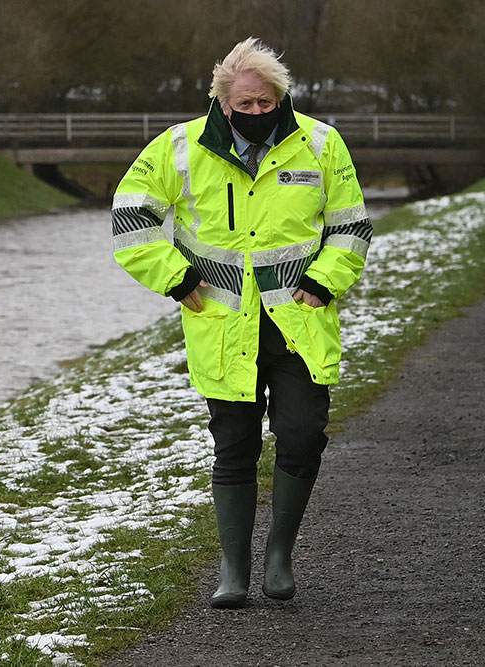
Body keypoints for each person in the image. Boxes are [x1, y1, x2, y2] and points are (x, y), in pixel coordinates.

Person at [111, 37, 371, 609]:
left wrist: (326, 279)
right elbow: (130, 218)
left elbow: (351, 226)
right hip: (223, 327)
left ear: (283, 98)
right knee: (234, 446)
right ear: (222, 102)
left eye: (268, 102)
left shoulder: (322, 144)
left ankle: (280, 555)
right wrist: (177, 279)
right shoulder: (177, 149)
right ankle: (234, 569)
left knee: (302, 436)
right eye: (247, 104)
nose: (258, 113)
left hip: (300, 322)